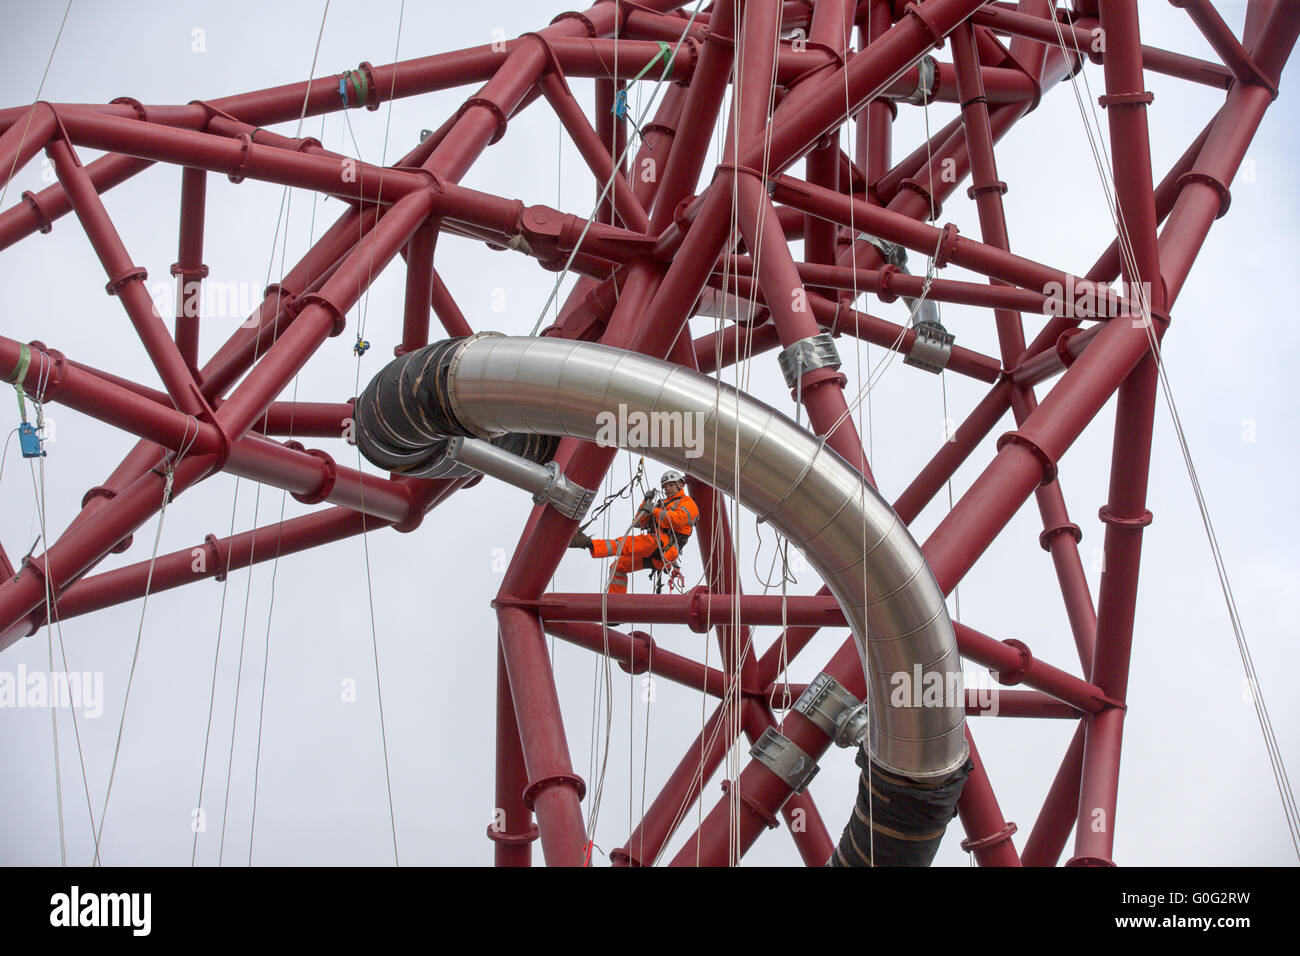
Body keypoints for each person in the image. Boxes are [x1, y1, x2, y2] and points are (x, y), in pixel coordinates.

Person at [570, 470, 699, 594]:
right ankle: (615, 605)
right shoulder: (661, 504)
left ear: (681, 484)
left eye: (671, 485)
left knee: (629, 543)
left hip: (666, 547)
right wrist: (646, 502)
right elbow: (639, 522)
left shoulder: (688, 503)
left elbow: (677, 520)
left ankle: (589, 543)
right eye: (665, 487)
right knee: (617, 566)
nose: (668, 489)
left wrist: (653, 511)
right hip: (657, 548)